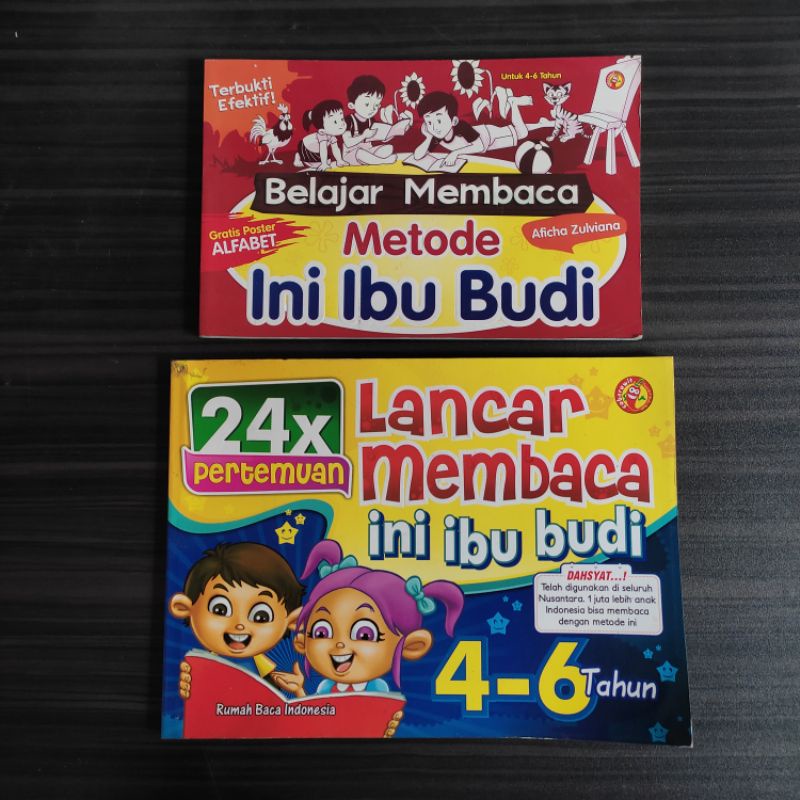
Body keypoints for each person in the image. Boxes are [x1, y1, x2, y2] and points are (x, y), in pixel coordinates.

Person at [272, 540, 463, 696]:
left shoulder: (377, 690)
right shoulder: (325, 688)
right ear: (302, 640)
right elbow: (317, 715)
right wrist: (299, 690)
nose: (340, 644)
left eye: (364, 634)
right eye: (321, 632)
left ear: (412, 645)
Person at [168, 542, 304, 698]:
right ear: (183, 607)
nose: (239, 624)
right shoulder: (199, 667)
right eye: (220, 609)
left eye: (261, 616)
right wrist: (189, 690)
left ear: (292, 620)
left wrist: (298, 690)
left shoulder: (268, 674)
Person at [294, 99, 347, 170]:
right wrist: (324, 164)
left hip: (316, 150)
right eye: (335, 122)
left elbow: (335, 148)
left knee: (328, 162)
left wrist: (339, 160)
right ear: (321, 130)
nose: (342, 124)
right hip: (305, 148)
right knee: (319, 165)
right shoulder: (322, 134)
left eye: (342, 119)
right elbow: (323, 149)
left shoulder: (331, 134)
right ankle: (298, 156)